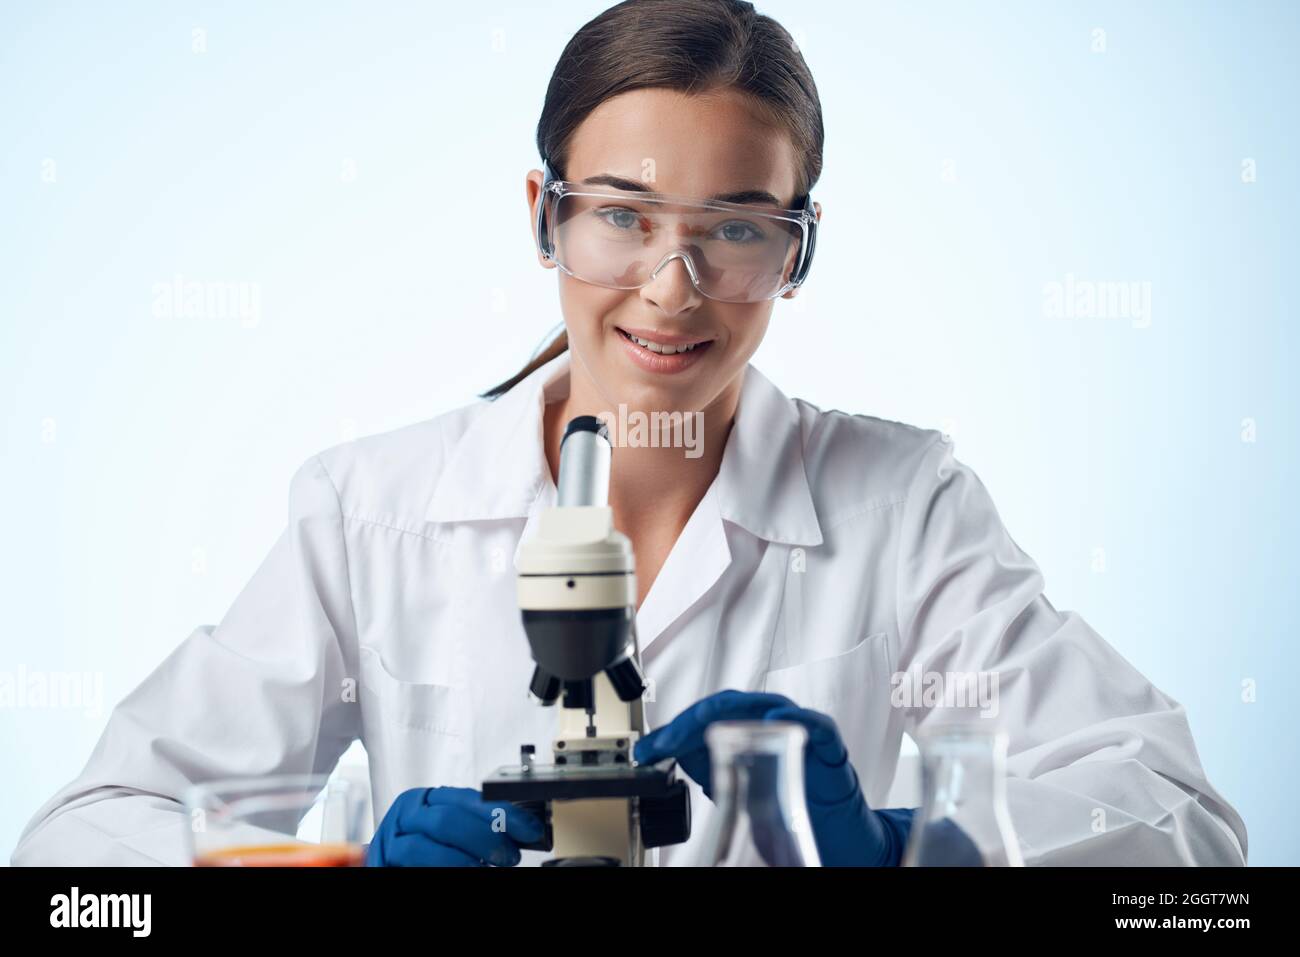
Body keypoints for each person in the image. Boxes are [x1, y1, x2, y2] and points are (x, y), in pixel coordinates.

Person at [13, 0, 1246, 867]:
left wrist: (916, 852)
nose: (673, 285)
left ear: (797, 250)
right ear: (544, 218)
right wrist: (337, 876)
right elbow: (80, 862)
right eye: (622, 216)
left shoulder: (901, 506)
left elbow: (1182, 835)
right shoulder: (369, 513)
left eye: (738, 226)